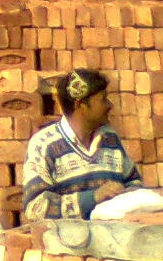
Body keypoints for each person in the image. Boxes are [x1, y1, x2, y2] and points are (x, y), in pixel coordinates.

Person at [21, 69, 142, 222]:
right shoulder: (44, 144)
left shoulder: (110, 139)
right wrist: (93, 198)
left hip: (115, 235)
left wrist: (125, 195)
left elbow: (135, 184)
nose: (109, 105)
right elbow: (35, 208)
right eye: (103, 99)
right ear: (82, 105)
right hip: (69, 237)